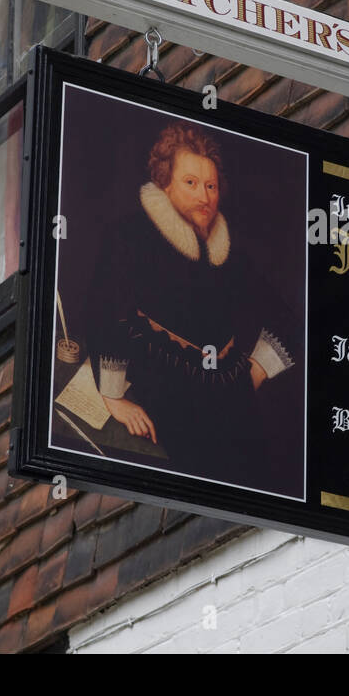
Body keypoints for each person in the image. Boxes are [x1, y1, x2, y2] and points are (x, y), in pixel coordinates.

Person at [83, 120, 297, 490]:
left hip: (232, 398)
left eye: (211, 186)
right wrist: (113, 395)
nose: (205, 197)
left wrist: (257, 370)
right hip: (163, 387)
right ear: (165, 184)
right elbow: (104, 311)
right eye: (191, 183)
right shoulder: (130, 236)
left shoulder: (229, 253)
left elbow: (285, 317)